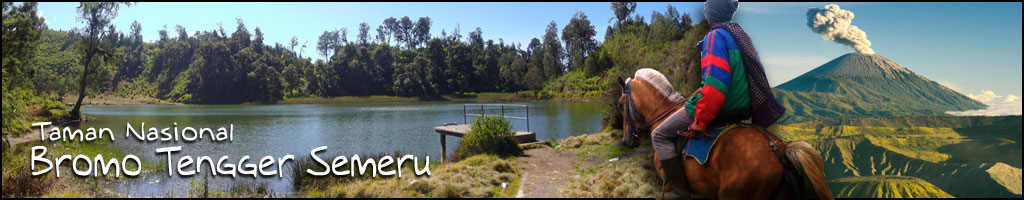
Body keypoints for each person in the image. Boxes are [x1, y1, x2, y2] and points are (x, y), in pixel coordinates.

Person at [650, 0, 787, 198]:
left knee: (659, 135)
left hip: (722, 108)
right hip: (743, 110)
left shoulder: (715, 37)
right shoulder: (741, 37)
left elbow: (716, 85)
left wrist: (702, 119)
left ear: (710, 14)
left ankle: (679, 193)